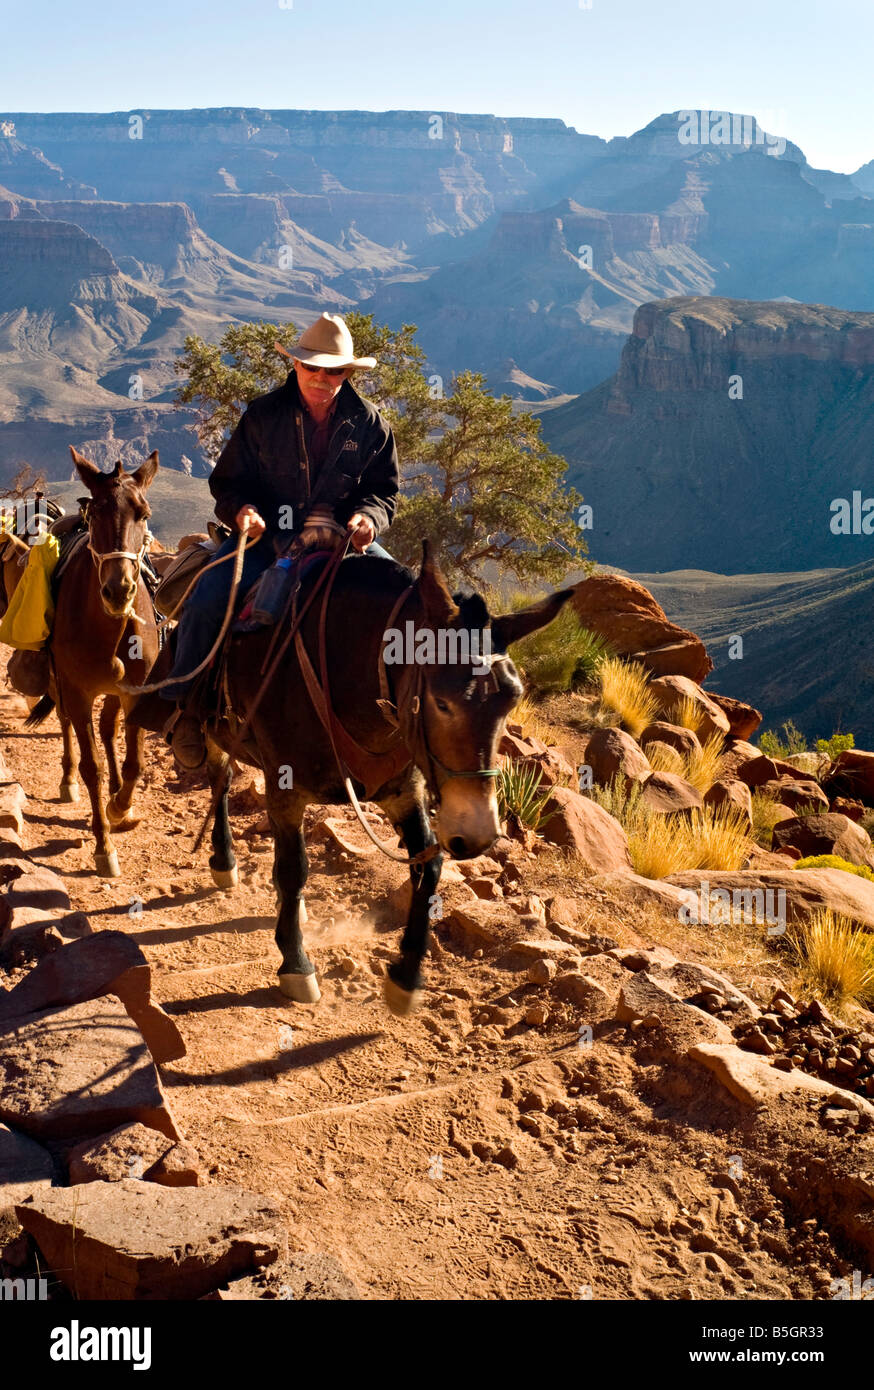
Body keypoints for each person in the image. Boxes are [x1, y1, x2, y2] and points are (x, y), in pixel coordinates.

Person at [163, 312, 400, 768]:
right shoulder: (263, 416)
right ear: (296, 365)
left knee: (402, 599)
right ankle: (188, 708)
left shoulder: (371, 426)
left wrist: (369, 518)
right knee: (208, 599)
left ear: (347, 373)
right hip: (264, 541)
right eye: (313, 367)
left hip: (342, 544)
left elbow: (383, 491)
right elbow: (227, 483)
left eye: (334, 370)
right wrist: (242, 511)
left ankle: (405, 724)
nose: (322, 378)